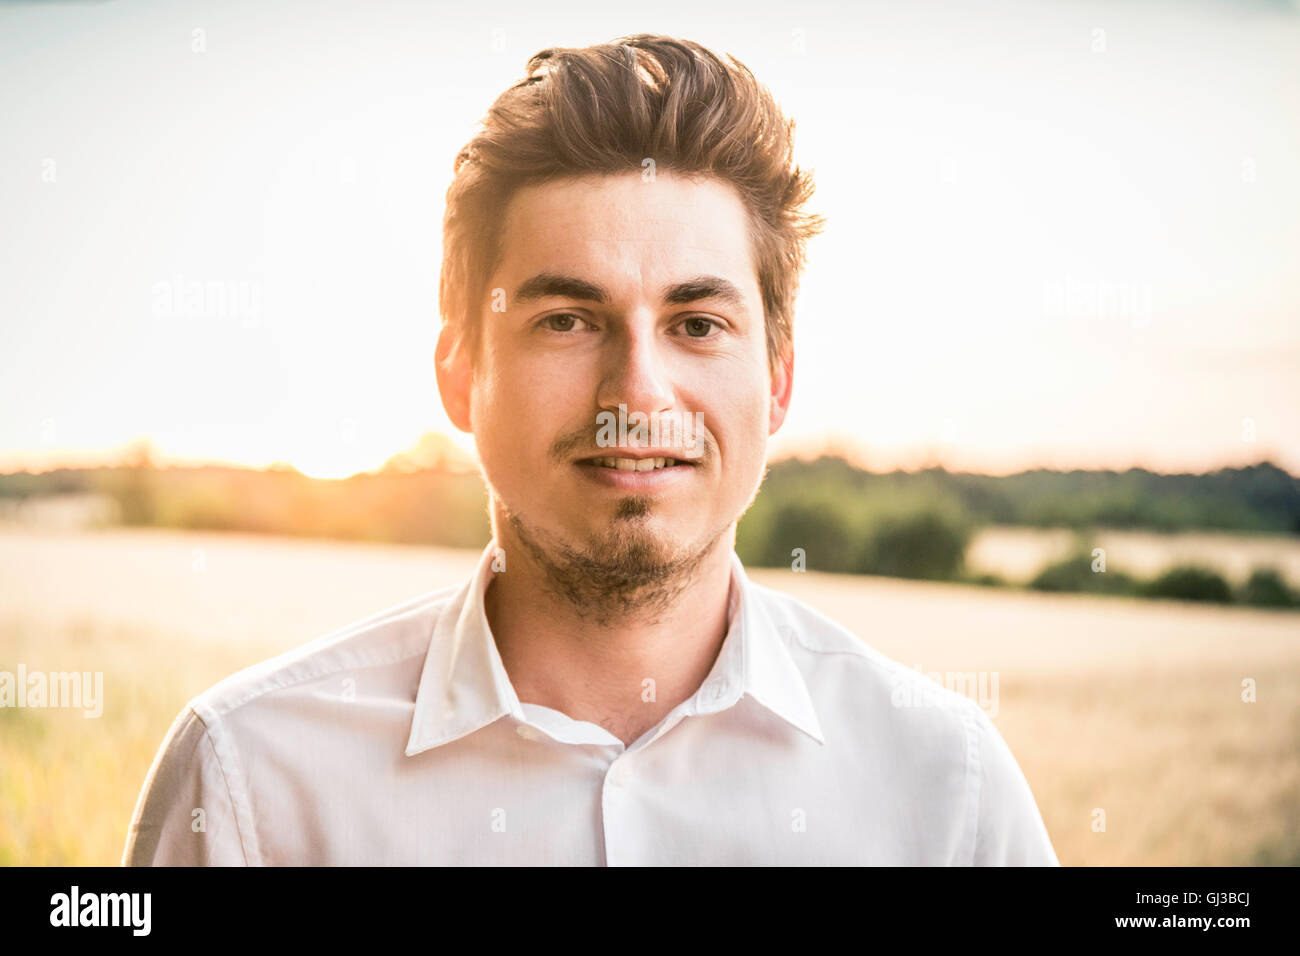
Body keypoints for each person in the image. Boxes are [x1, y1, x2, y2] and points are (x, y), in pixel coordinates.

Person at [123, 34, 1058, 866]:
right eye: (568, 319)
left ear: (776, 380)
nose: (638, 392)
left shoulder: (949, 790)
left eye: (696, 323)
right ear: (461, 373)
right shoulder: (251, 779)